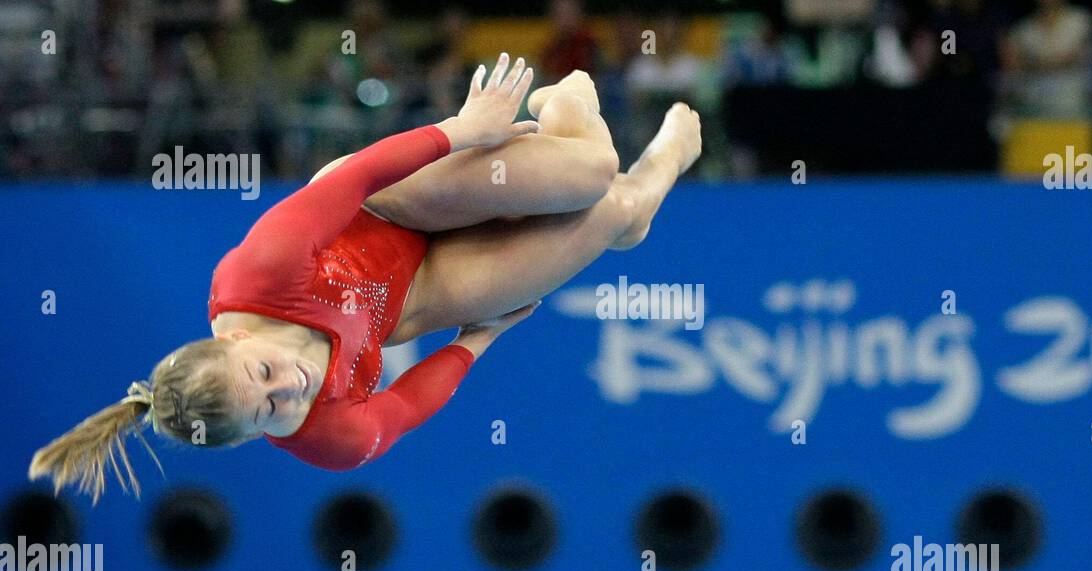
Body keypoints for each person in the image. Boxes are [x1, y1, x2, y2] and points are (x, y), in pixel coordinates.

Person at [29, 54, 702, 500]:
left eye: (263, 373)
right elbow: (404, 406)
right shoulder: (330, 438)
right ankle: (648, 183)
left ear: (235, 340)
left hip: (386, 204)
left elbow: (358, 176)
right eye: (271, 409)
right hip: (411, 299)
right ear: (262, 437)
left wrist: (464, 129)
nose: (287, 385)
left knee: (588, 170)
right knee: (618, 205)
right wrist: (478, 340)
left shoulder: (259, 272)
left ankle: (569, 106)